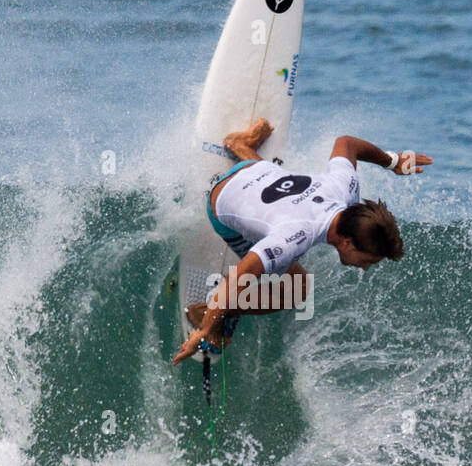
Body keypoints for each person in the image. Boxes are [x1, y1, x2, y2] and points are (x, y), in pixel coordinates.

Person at [172, 117, 432, 365]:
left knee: (286, 191)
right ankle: (205, 313)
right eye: (366, 261)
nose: (365, 267)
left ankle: (240, 145)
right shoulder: (293, 238)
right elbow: (236, 280)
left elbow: (346, 143)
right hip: (220, 202)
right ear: (348, 243)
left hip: (253, 170)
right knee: (297, 289)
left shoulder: (345, 191)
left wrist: (392, 161)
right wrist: (205, 330)